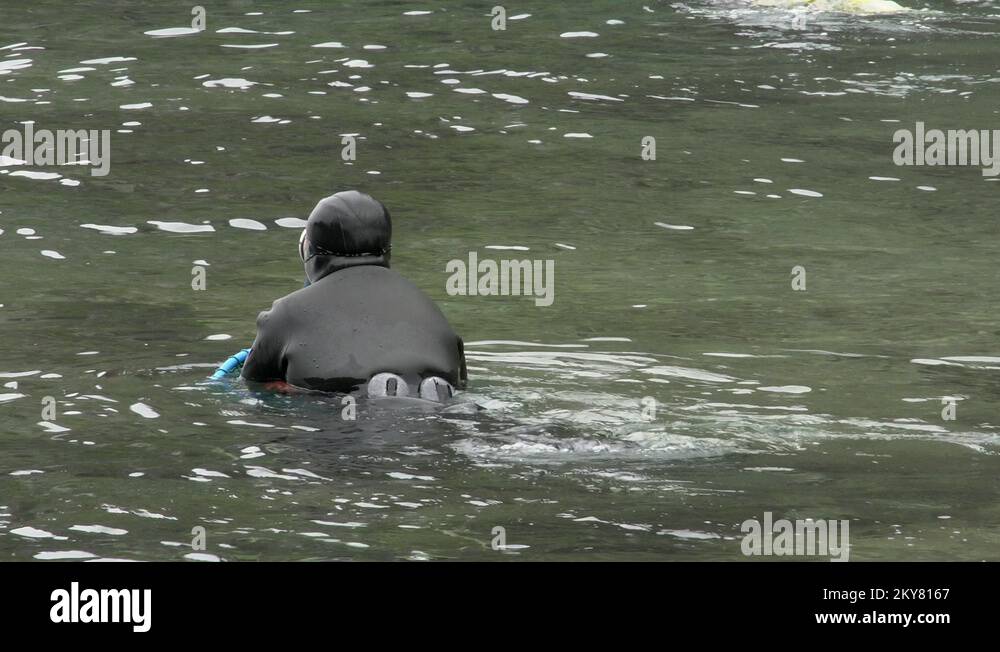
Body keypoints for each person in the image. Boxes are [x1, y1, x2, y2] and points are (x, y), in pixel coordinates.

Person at [240, 190, 467, 400]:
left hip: (345, 425)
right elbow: (463, 387)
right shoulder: (431, 311)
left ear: (308, 250)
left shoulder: (284, 314)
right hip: (439, 417)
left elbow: (252, 386)